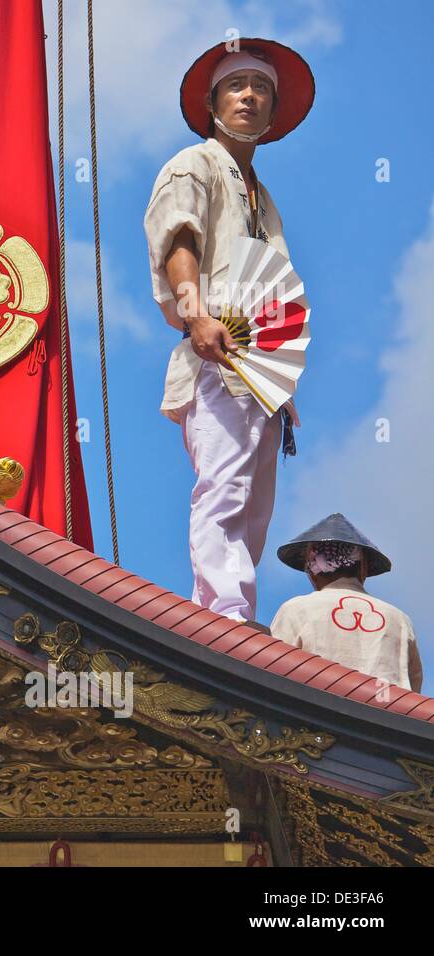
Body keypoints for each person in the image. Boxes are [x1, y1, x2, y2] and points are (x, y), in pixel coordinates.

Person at [143, 39, 315, 623]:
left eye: (260, 87)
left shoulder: (262, 196)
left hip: (260, 368)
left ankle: (237, 606)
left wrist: (281, 381)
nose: (249, 95)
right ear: (214, 102)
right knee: (224, 484)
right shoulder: (192, 165)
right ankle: (222, 614)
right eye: (237, 85)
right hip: (216, 355)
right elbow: (179, 241)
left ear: (272, 110)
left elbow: (275, 288)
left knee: (256, 503)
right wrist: (196, 316)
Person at [271, 513, 421, 693]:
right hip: (387, 716)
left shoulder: (296, 609)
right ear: (363, 568)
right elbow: (414, 688)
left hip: (315, 712)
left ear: (312, 571)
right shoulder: (398, 619)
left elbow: (273, 671)